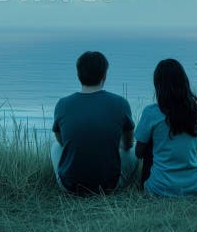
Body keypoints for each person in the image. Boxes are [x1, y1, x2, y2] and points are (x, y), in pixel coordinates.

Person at [51, 51, 137, 195]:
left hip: (70, 186)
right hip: (109, 186)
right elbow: (127, 145)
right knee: (133, 151)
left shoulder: (62, 104)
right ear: (104, 75)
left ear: (78, 75)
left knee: (55, 147)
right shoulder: (121, 103)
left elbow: (62, 142)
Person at [135, 58, 197, 198]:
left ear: (158, 86)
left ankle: (148, 186)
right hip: (196, 188)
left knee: (149, 143)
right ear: (184, 83)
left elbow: (138, 153)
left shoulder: (151, 112)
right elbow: (195, 151)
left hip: (160, 189)